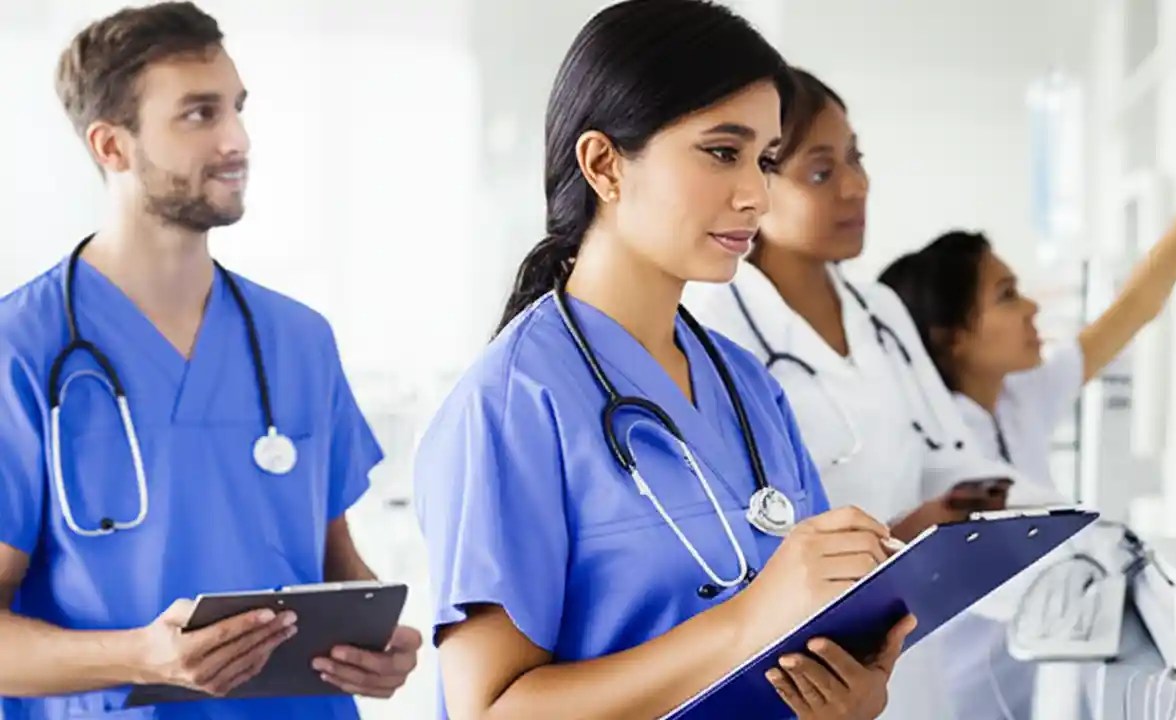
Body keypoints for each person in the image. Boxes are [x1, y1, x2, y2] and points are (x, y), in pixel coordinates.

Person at [413, 2, 914, 719]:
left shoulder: (749, 389)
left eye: (766, 160)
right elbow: (490, 710)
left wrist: (850, 692)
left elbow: (809, 623)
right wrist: (744, 625)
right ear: (603, 165)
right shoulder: (513, 403)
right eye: (722, 152)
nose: (755, 194)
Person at [0, 4, 421, 718]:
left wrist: (376, 647)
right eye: (199, 115)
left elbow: (333, 566)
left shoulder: (298, 340)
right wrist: (139, 654)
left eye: (237, 108)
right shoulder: (21, 349)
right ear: (112, 146)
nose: (237, 140)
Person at [878, 74, 1176, 720]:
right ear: (951, 338)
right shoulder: (937, 450)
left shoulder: (1019, 395)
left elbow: (1140, 304)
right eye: (1007, 295)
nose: (1033, 305)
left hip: (1038, 685)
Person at [682, 67, 1017, 720]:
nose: (856, 186)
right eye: (821, 172)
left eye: (856, 160)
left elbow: (951, 462)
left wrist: (994, 511)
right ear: (759, 182)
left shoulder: (880, 309)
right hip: (803, 664)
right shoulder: (713, 321)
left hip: (907, 636)